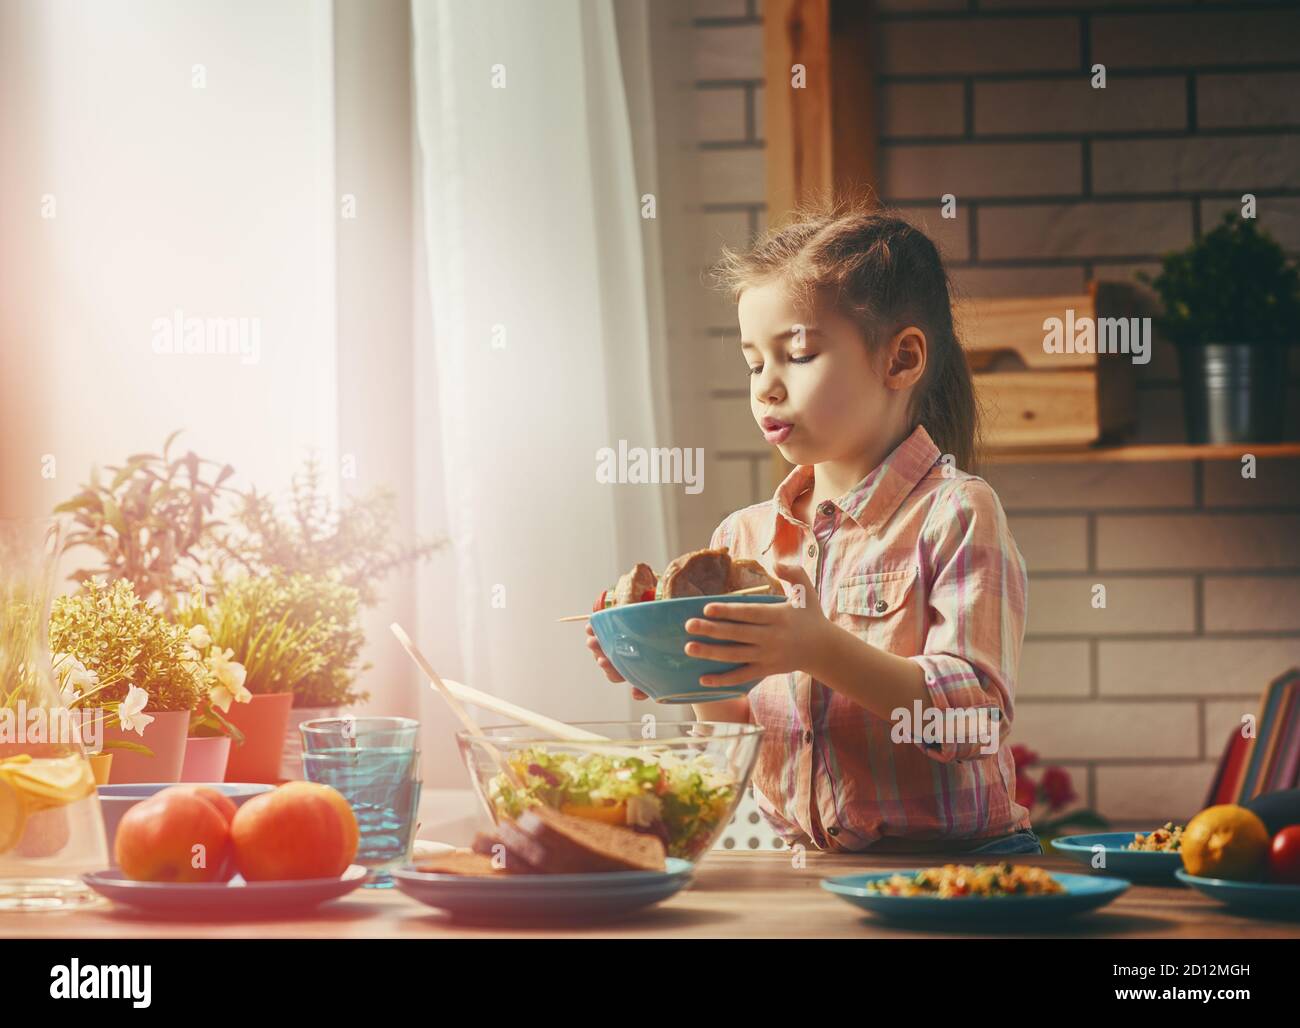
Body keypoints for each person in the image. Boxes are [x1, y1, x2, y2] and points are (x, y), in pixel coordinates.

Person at [587, 205, 1040, 855]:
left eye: (797, 354)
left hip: (954, 872)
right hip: (807, 867)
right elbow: (729, 736)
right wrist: (668, 662)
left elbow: (977, 718)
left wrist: (818, 648)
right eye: (753, 362)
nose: (766, 388)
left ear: (901, 359)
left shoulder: (958, 513)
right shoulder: (743, 540)